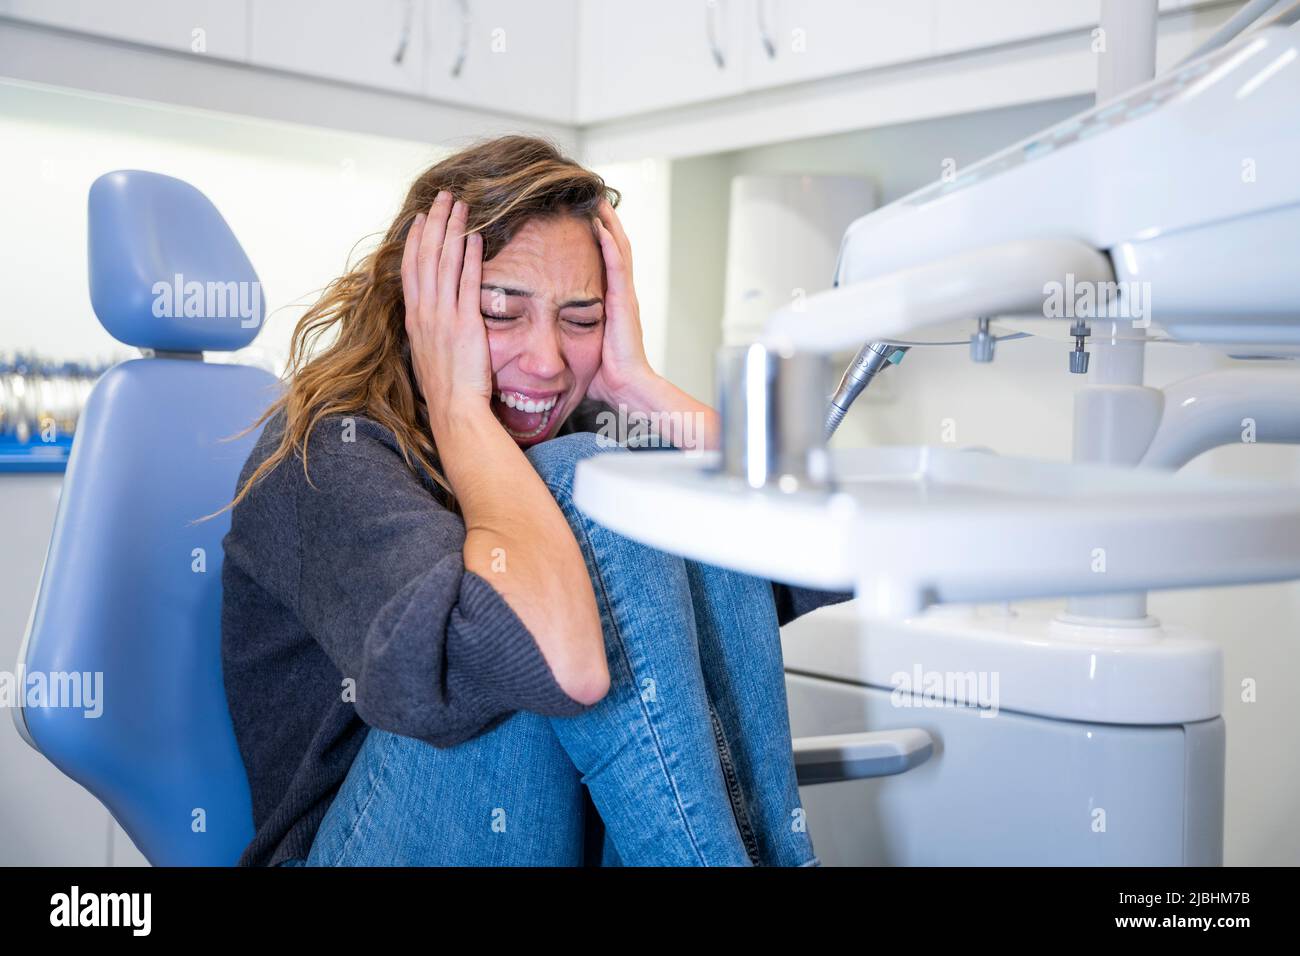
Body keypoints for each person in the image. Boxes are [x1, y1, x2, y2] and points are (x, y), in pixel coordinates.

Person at [219, 135, 850, 867]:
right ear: (418, 312)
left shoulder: (582, 429)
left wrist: (635, 385)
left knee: (650, 483)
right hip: (356, 847)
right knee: (581, 498)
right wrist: (457, 405)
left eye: (580, 320)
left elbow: (820, 557)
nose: (547, 361)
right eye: (499, 311)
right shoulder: (330, 458)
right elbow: (562, 661)